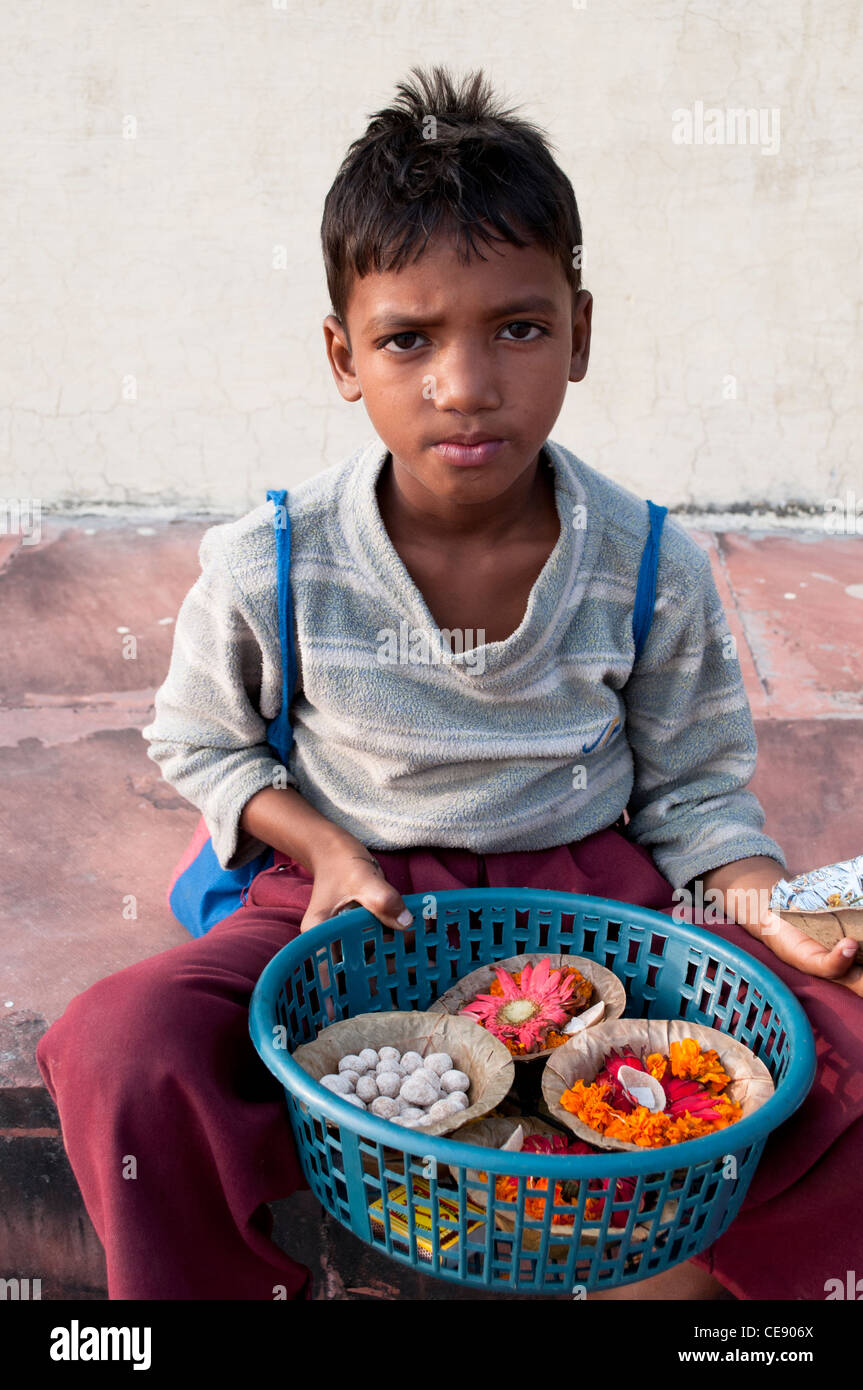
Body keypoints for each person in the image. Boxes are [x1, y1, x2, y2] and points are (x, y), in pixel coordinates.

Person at [36, 64, 862, 1302]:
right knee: (118, 1042)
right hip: (348, 906)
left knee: (829, 1055)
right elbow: (202, 743)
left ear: (580, 333)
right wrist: (317, 847)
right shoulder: (273, 560)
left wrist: (766, 912)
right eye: (407, 339)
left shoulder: (645, 562)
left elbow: (696, 799)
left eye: (517, 328)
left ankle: (675, 1283)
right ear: (341, 353)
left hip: (596, 913)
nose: (464, 385)